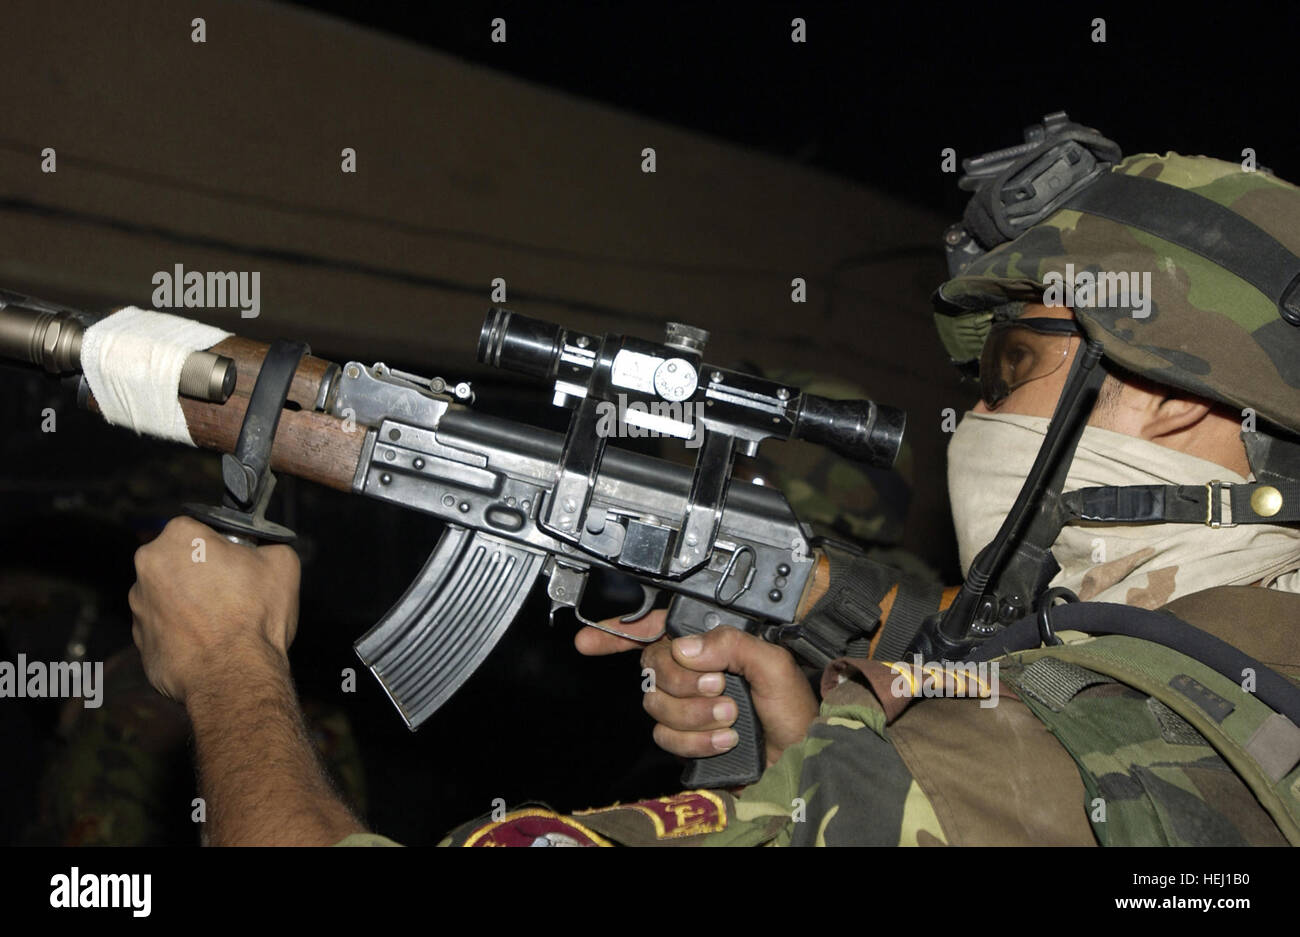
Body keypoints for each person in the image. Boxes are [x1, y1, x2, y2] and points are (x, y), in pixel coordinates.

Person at [129, 121, 1300, 846]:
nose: (982, 412)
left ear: (1175, 391)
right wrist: (814, 758)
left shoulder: (1031, 761)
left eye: (1012, 362)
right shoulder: (1243, 693)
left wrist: (230, 665)